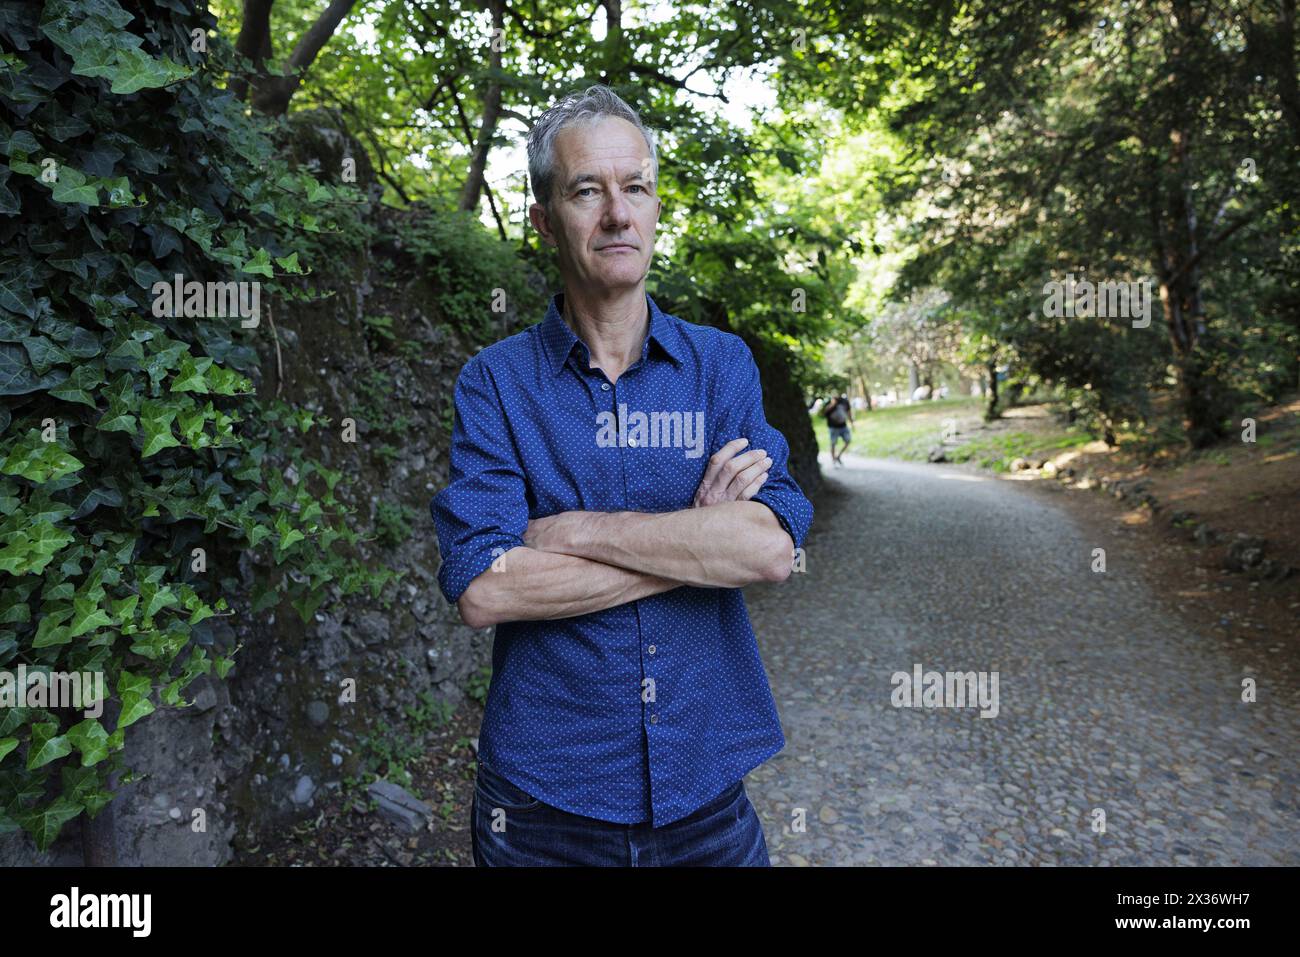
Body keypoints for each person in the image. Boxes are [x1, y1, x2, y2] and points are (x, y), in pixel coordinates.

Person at [430, 85, 814, 866]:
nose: (616, 213)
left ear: (656, 207)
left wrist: (573, 531)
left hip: (706, 792)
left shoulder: (719, 366)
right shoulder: (495, 383)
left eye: (634, 187)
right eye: (586, 191)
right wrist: (695, 546)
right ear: (544, 221)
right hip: (543, 807)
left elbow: (770, 549)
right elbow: (487, 586)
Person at [821, 393, 853, 466]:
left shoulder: (844, 402)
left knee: (848, 440)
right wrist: (833, 404)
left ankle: (838, 456)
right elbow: (824, 414)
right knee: (833, 443)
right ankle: (833, 460)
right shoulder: (829, 403)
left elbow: (848, 412)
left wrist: (851, 422)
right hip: (833, 427)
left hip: (843, 426)